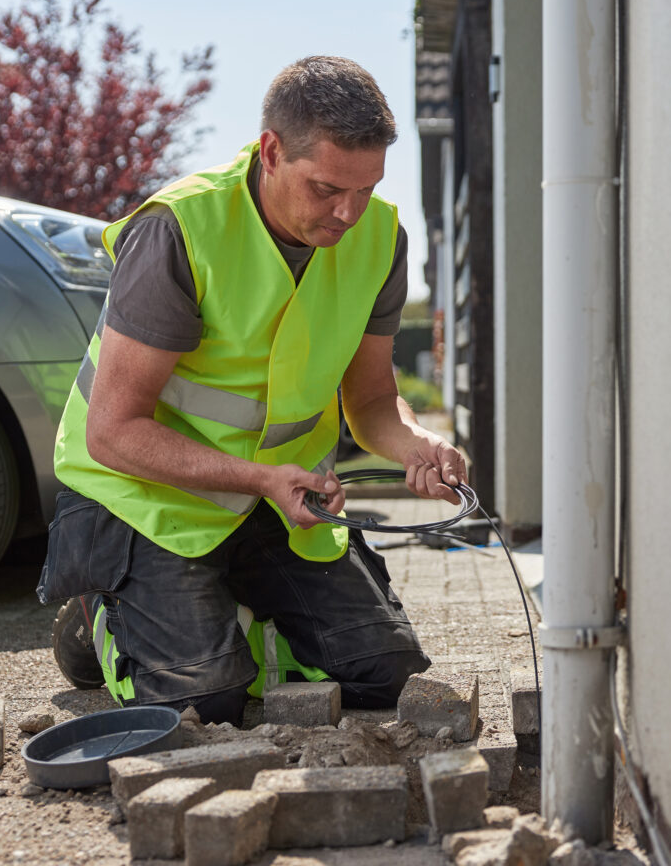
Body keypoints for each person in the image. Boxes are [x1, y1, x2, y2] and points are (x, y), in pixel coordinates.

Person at [37, 56, 464, 726]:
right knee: (204, 702)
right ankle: (97, 615)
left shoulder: (381, 239)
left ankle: (228, 608)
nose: (349, 212)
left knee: (385, 675)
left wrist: (418, 442)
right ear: (271, 151)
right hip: (145, 497)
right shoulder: (180, 230)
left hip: (276, 500)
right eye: (326, 188)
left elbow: (374, 398)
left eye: (366, 188)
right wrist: (262, 478)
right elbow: (112, 430)